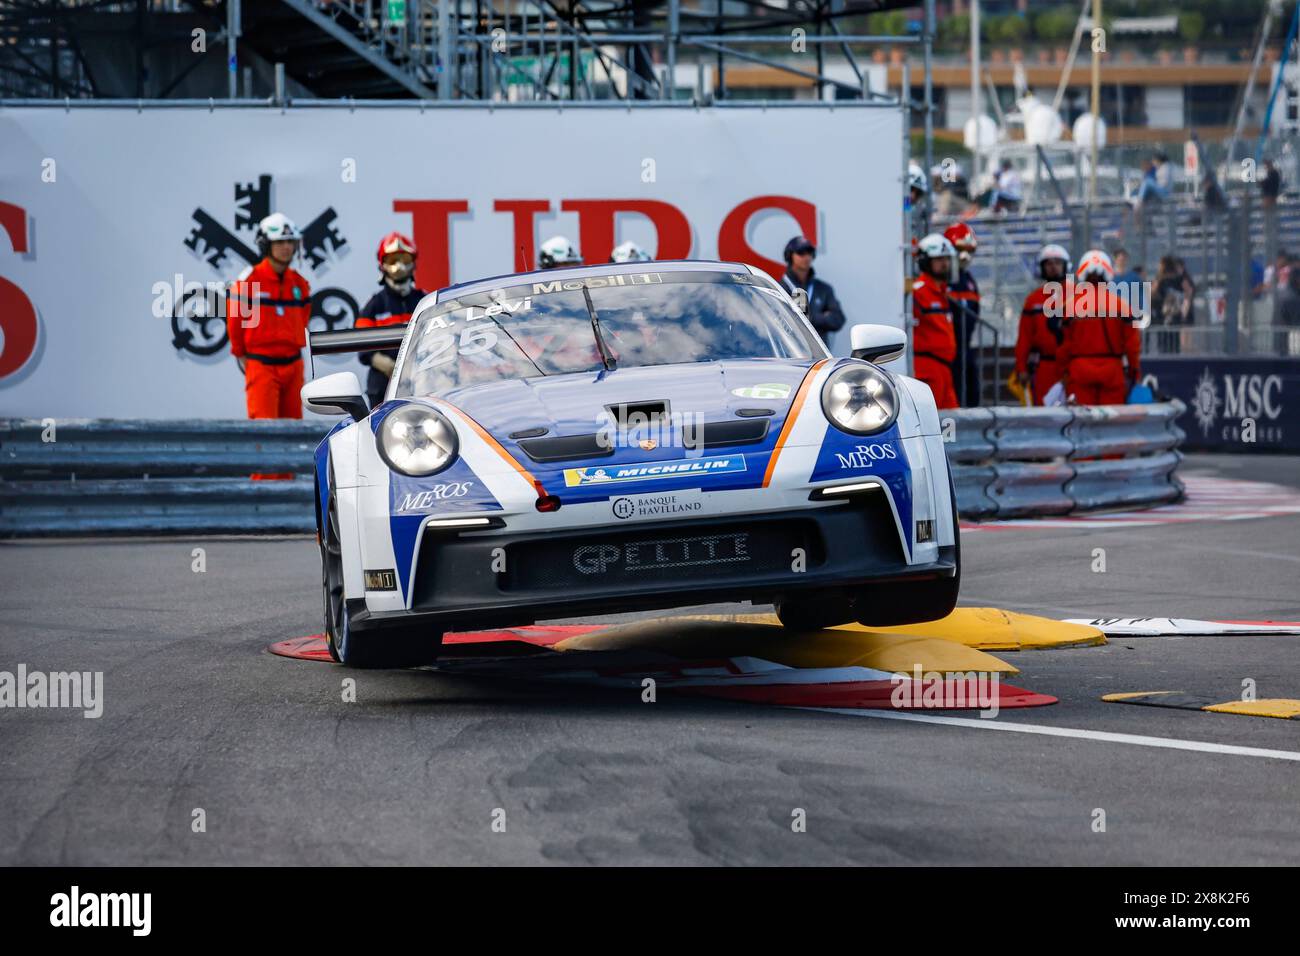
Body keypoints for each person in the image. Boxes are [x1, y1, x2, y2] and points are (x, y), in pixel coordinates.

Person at [1057, 249, 1141, 405]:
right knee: (1111, 424)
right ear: (1108, 273)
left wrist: (1063, 372)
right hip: (1112, 371)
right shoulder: (1121, 305)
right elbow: (1132, 345)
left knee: (1082, 423)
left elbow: (1063, 345)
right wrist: (1134, 372)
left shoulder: (1069, 306)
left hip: (1079, 371)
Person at [355, 232, 427, 410]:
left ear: (413, 262)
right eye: (393, 260)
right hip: (382, 384)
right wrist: (391, 367)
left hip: (420, 380)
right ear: (383, 265)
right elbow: (362, 349)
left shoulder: (424, 301)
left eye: (404, 259)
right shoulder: (374, 305)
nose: (399, 266)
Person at [1014, 243, 1070, 405]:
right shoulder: (1033, 300)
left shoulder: (1078, 295)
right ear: (1042, 268)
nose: (1053, 267)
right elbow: (1024, 337)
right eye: (1049, 263)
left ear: (1066, 266)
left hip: (1071, 367)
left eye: (1057, 263)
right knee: (1044, 412)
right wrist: (1021, 368)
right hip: (1045, 366)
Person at [911, 233, 959, 409]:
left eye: (946, 259)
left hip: (945, 369)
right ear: (925, 262)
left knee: (951, 424)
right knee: (931, 423)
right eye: (939, 259)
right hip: (928, 370)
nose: (945, 264)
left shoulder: (942, 292)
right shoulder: (918, 292)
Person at [779, 235, 846, 346]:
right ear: (790, 256)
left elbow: (838, 319)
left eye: (809, 252)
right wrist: (823, 316)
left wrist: (808, 317)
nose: (806, 257)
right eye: (801, 252)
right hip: (790, 352)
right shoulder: (779, 287)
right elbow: (778, 322)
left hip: (820, 355)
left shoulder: (823, 288)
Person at [943, 222, 981, 406]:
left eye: (969, 250)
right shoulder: (942, 279)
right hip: (948, 347)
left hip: (965, 346)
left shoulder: (969, 281)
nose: (964, 256)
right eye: (960, 249)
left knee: (973, 390)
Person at [1151, 255, 1194, 355]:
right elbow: (1189, 291)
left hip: (1169, 312)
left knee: (1166, 339)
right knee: (1171, 339)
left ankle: (1167, 359)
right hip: (1168, 313)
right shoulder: (1172, 278)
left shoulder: (1168, 278)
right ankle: (1171, 357)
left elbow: (1153, 292)